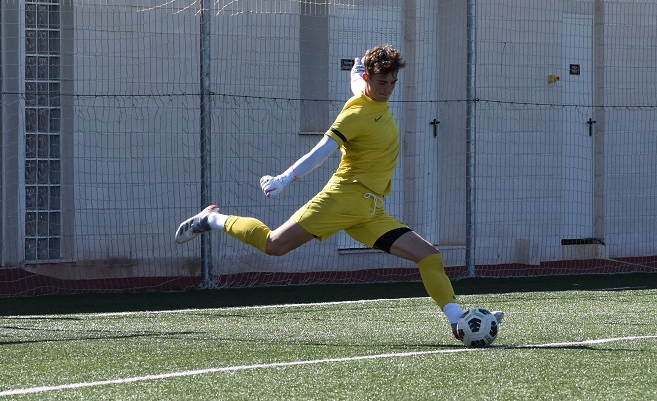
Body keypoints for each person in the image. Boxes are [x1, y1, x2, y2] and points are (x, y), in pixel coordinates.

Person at [175, 44, 500, 344]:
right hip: (343, 199)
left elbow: (356, 77)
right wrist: (286, 178)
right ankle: (212, 219)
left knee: (429, 256)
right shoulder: (355, 114)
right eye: (382, 82)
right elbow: (323, 150)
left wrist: (358, 66)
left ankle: (458, 320)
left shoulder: (366, 87)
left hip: (371, 210)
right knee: (274, 245)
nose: (387, 89)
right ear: (372, 79)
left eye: (392, 82)